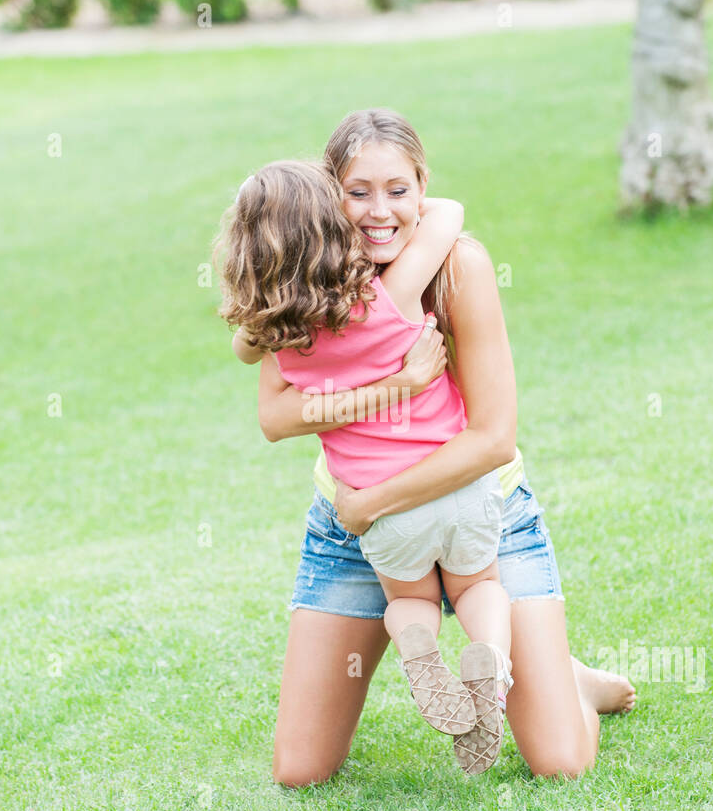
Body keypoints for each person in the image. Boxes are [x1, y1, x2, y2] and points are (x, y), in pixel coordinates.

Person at [240, 110, 635, 786]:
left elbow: (492, 439)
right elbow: (275, 414)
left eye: (398, 190)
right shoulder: (310, 287)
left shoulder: (457, 267)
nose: (378, 211)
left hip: (482, 512)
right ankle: (542, 665)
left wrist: (371, 502)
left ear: (422, 189)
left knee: (560, 762)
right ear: (326, 197)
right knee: (300, 771)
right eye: (356, 191)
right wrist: (393, 388)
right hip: (356, 536)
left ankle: (564, 679)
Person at [219, 159, 513, 775]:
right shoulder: (390, 293)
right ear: (335, 226)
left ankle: (418, 642)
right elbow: (449, 212)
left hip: (381, 511)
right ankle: (489, 655)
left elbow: (246, 342)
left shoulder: (282, 333)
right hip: (455, 486)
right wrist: (402, 382)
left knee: (411, 602)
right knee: (480, 585)